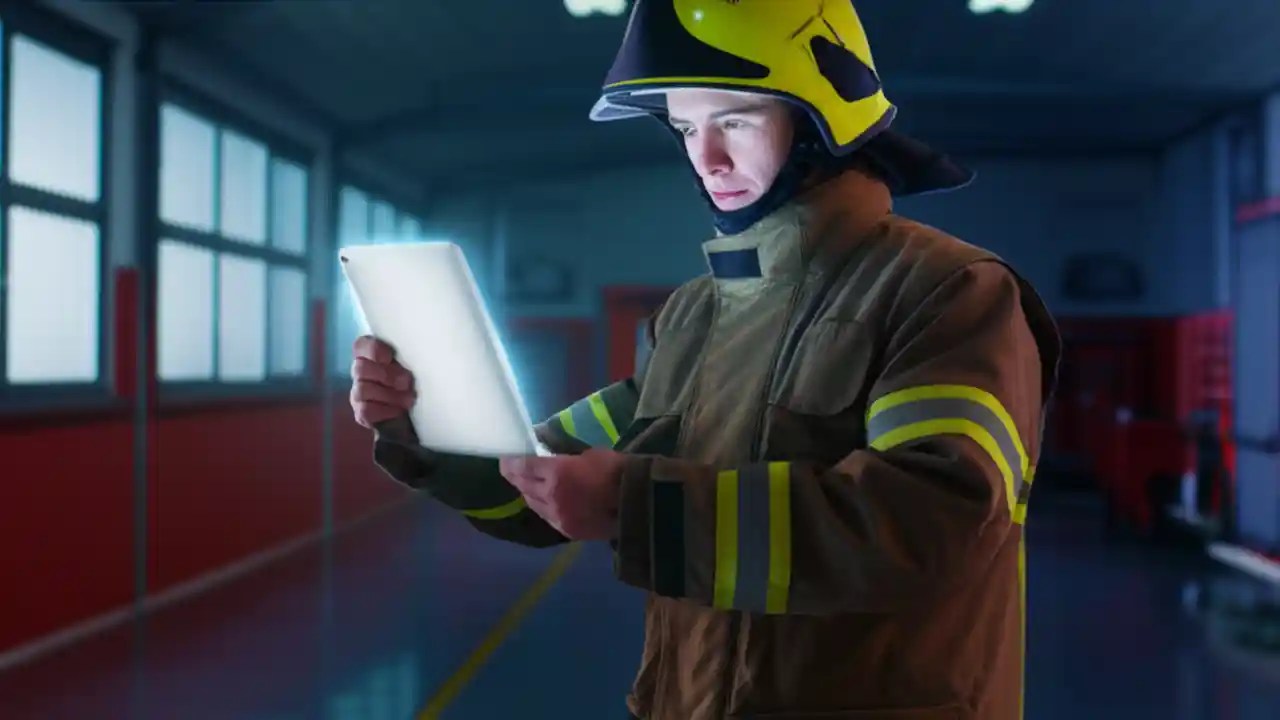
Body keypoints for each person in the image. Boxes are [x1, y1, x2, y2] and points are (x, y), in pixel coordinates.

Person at [350, 1, 1061, 718]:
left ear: (823, 121)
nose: (706, 157)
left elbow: (932, 523)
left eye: (736, 120)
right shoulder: (692, 316)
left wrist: (641, 506)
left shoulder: (948, 292)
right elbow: (535, 482)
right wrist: (427, 419)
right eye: (687, 127)